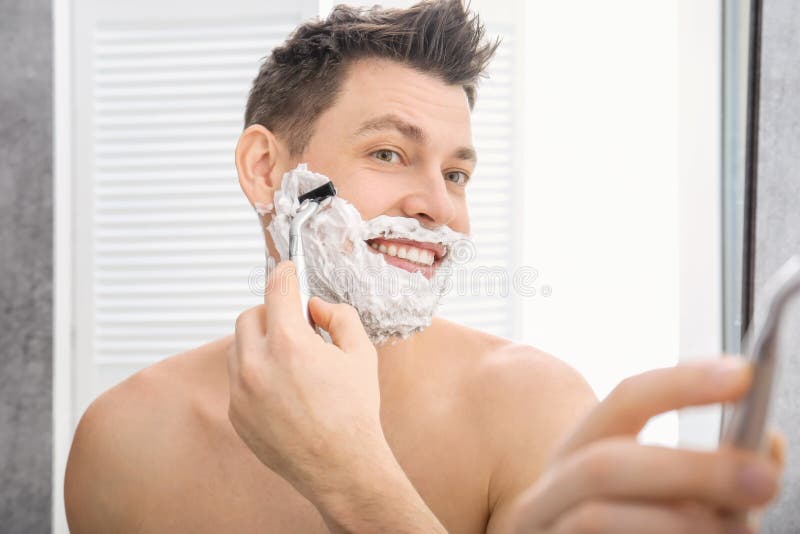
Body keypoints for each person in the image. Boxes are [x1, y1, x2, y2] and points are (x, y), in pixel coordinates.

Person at [64, 1, 786, 532]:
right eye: (388, 153)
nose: (439, 207)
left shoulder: (532, 410)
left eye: (459, 174)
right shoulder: (125, 439)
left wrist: (352, 478)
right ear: (264, 169)